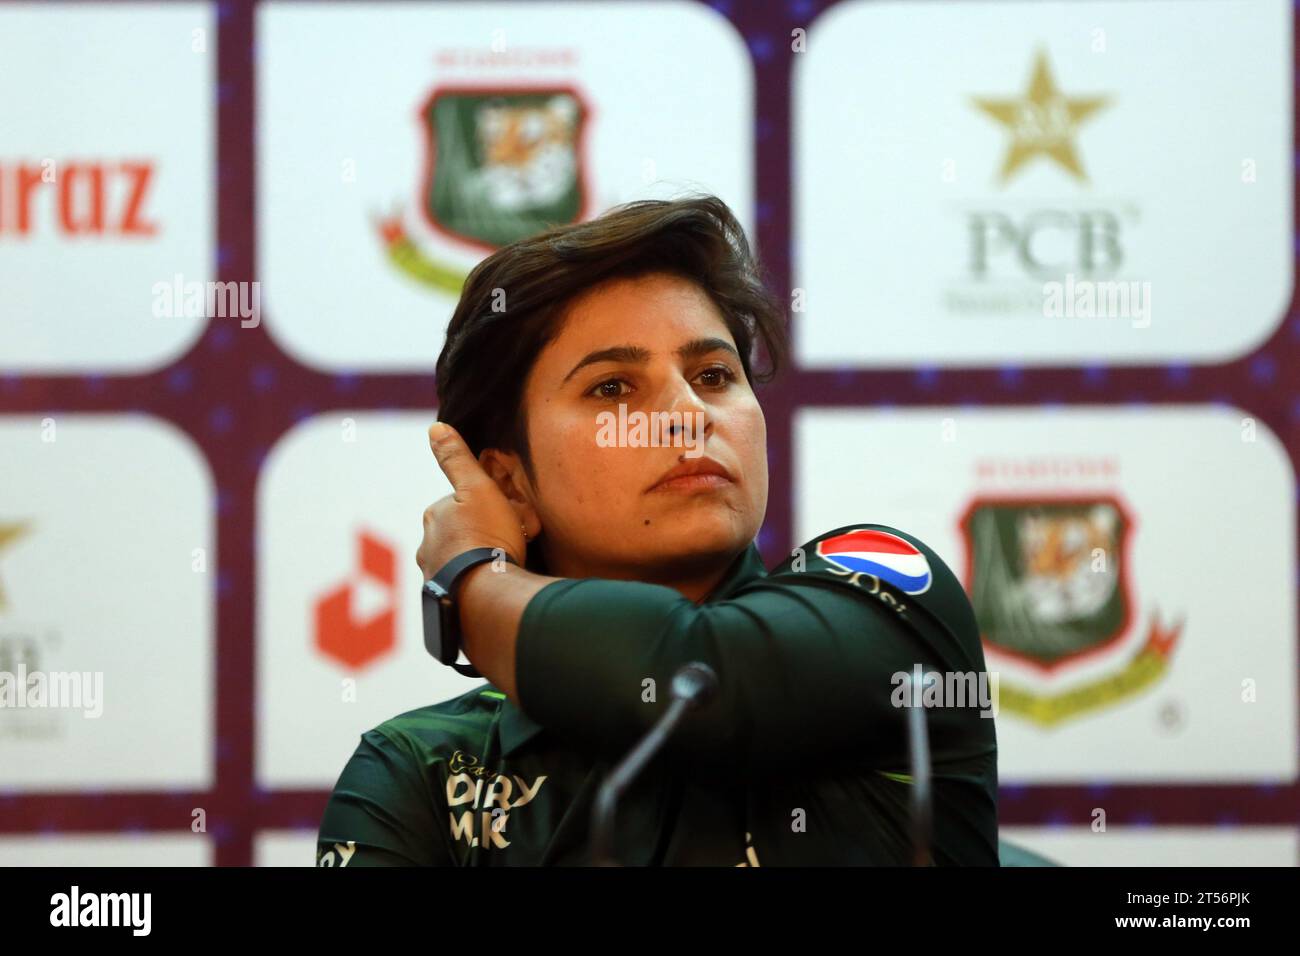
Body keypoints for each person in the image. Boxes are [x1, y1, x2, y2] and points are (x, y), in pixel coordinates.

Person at [315, 195, 998, 866]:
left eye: (713, 374)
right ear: (511, 483)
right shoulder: (420, 770)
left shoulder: (881, 588)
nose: (687, 412)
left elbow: (697, 677)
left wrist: (470, 576)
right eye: (613, 388)